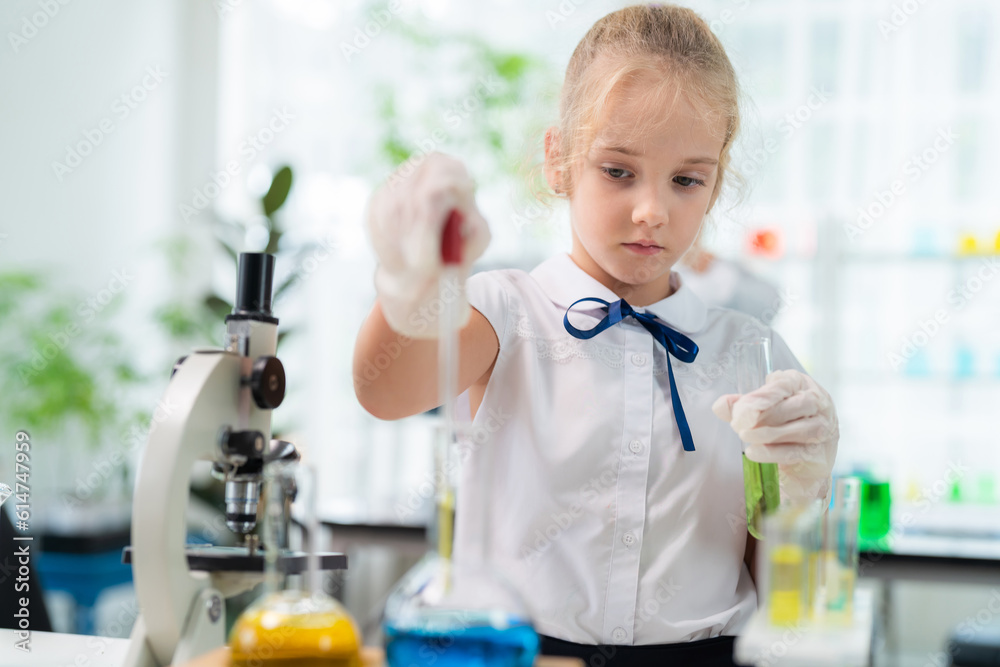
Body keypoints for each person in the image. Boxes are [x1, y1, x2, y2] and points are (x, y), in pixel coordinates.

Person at [354, 5, 838, 665]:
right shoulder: (503, 311)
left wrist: (802, 492)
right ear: (559, 159)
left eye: (687, 180)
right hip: (523, 652)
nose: (652, 209)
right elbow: (385, 386)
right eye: (618, 170)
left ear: (716, 182)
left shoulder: (751, 351)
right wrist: (412, 284)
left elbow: (782, 580)